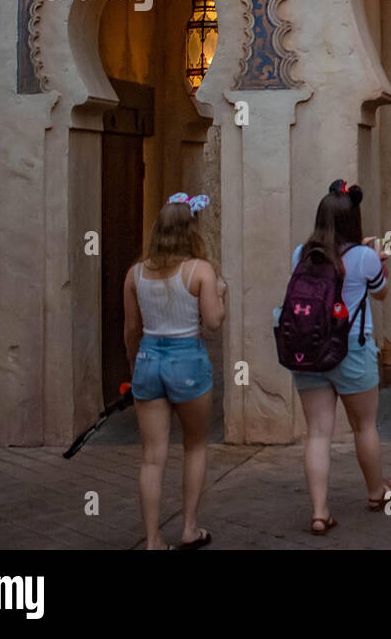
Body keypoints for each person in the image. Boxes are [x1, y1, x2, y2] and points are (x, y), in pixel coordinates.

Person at [289, 179, 391, 535]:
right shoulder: (364, 257)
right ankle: (375, 490)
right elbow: (380, 294)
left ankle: (319, 512)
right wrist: (379, 260)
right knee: (364, 426)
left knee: (318, 433)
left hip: (310, 351)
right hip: (352, 348)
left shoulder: (301, 254)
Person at [123, 193, 226, 550]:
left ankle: (152, 540)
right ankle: (189, 528)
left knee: (152, 457)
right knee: (195, 446)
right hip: (188, 362)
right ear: (191, 230)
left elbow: (131, 330)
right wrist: (220, 295)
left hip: (149, 360)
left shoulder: (135, 274)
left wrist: (133, 365)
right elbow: (213, 322)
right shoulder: (200, 271)